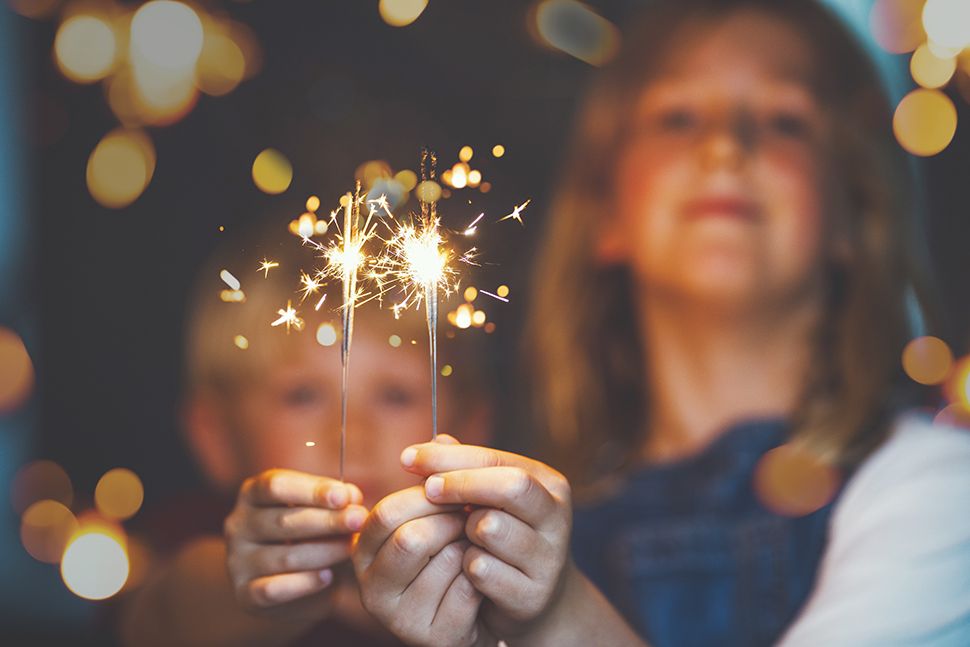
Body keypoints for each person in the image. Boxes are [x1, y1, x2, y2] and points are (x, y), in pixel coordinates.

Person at [350, 1, 970, 645]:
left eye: (784, 121)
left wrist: (557, 616)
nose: (726, 146)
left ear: (853, 213)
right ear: (605, 214)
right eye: (677, 118)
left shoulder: (937, 491)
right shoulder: (513, 514)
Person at [118, 223, 491, 646]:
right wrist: (256, 588)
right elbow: (168, 610)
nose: (352, 433)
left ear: (472, 427)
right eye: (302, 396)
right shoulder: (190, 552)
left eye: (395, 396)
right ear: (215, 436)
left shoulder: (494, 563)